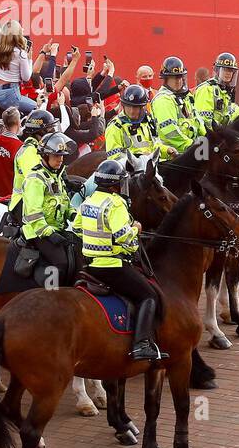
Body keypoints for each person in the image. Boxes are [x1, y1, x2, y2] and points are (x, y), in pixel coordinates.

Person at [73, 158, 167, 362]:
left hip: (91, 265)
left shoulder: (88, 201)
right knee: (148, 295)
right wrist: (137, 229)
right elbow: (124, 236)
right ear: (115, 184)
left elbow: (77, 228)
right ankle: (142, 344)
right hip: (113, 265)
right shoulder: (115, 204)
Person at [13, 132, 76, 279]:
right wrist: (49, 233)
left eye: (62, 156)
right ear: (45, 156)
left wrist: (73, 214)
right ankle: (49, 293)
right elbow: (33, 214)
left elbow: (64, 201)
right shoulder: (35, 179)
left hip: (56, 228)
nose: (60, 159)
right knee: (61, 263)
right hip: (37, 232)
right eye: (56, 156)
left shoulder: (56, 175)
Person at [149, 56, 199, 159]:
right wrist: (193, 146)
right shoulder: (163, 100)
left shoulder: (185, 97)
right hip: (171, 157)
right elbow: (170, 132)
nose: (178, 81)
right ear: (166, 79)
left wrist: (208, 139)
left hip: (188, 152)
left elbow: (197, 121)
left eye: (180, 77)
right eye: (174, 77)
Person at [103, 83, 160, 165]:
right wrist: (141, 158)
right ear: (123, 105)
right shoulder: (115, 126)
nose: (132, 111)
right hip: (130, 173)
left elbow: (156, 144)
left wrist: (167, 150)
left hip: (151, 166)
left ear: (142, 107)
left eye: (135, 107)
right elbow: (114, 158)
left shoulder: (149, 121)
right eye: (128, 106)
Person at [192, 52, 239, 133]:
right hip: (207, 137)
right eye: (225, 70)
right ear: (217, 70)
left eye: (231, 71)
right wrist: (224, 132)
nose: (228, 73)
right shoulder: (206, 89)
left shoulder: (224, 92)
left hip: (219, 134)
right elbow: (204, 120)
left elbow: (233, 112)